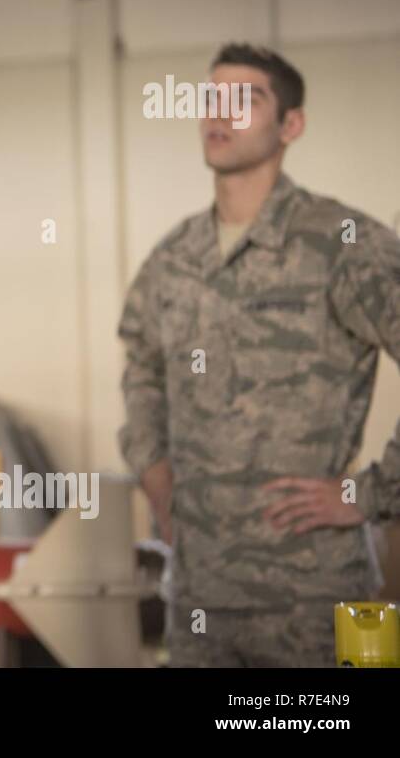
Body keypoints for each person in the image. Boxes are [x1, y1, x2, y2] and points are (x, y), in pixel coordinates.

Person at [118, 42, 400, 667]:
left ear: (290, 125)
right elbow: (141, 364)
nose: (220, 113)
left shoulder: (342, 245)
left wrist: (372, 494)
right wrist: (154, 470)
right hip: (199, 600)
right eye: (211, 97)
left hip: (316, 594)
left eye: (246, 99)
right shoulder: (175, 258)